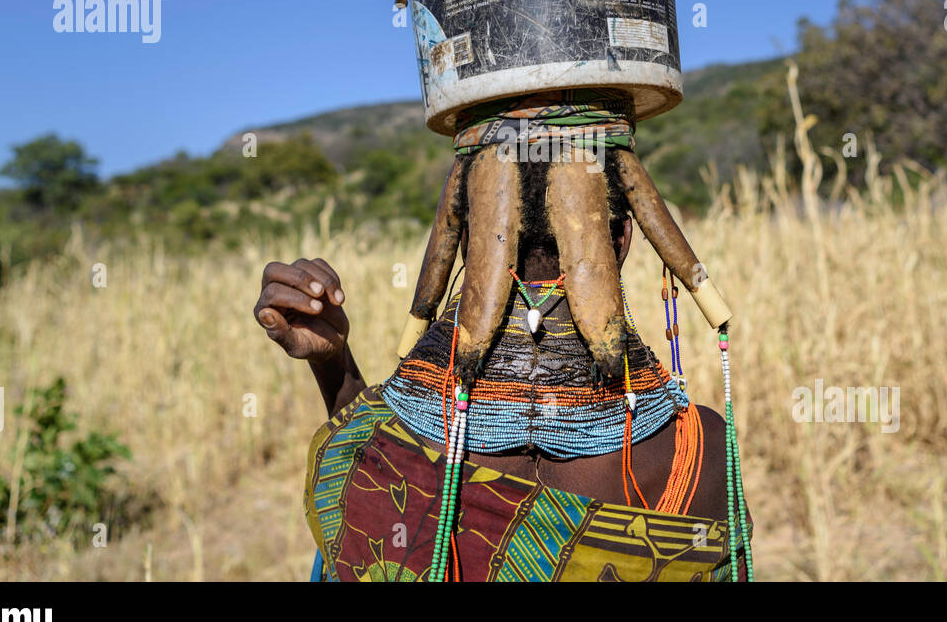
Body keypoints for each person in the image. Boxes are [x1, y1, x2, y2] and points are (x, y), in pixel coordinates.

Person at [254, 95, 753, 581]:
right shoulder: (701, 452)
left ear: (464, 241)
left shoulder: (378, 448)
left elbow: (367, 510)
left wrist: (335, 367)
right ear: (622, 239)